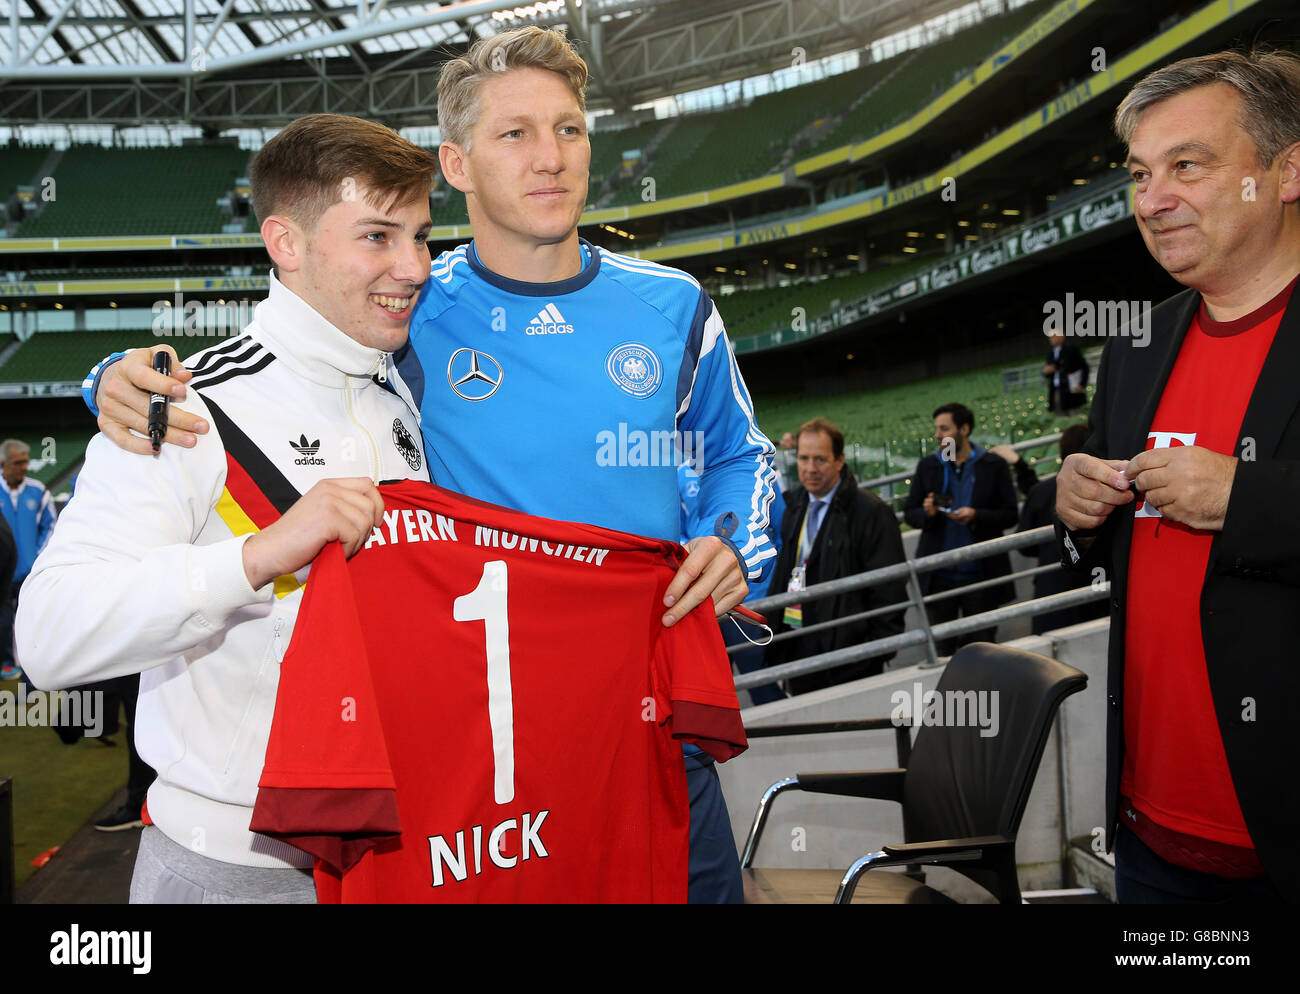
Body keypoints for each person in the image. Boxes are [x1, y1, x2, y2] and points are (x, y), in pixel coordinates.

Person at [83, 27, 778, 904]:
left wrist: (728, 544)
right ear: (456, 163)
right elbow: (264, 365)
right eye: (515, 134)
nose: (550, 158)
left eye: (569, 129)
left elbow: (740, 456)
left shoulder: (673, 308)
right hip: (489, 763)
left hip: (652, 725)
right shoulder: (407, 313)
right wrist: (110, 379)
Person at [18, 114, 438, 902]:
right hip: (234, 868)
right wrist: (259, 556)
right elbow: (47, 636)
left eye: (421, 235)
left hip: (396, 852)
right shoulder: (184, 407)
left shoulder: (398, 399)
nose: (414, 266)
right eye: (379, 237)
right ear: (285, 243)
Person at [1054, 48, 1300, 903]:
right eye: (1140, 175)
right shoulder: (1136, 345)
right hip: (1151, 838)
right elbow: (1092, 559)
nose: (1151, 202)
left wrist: (1243, 496)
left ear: (1285, 170)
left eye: (1186, 166)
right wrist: (1076, 514)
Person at [764, 418, 906, 694]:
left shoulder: (871, 512)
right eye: (803, 458)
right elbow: (787, 572)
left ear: (840, 460)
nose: (809, 469)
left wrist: (876, 650)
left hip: (850, 657)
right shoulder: (795, 506)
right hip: (799, 644)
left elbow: (889, 588)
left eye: (820, 460)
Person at [903, 402, 1018, 656]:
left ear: (964, 430)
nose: (937, 435)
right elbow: (910, 513)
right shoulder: (928, 466)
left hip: (982, 576)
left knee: (984, 650)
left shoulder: (993, 465)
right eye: (936, 429)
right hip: (939, 579)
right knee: (942, 651)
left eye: (944, 428)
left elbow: (1010, 514)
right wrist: (928, 514)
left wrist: (977, 515)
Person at [1014, 423, 1106, 635]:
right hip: (1097, 586)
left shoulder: (1040, 491)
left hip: (1053, 590)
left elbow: (1024, 546)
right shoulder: (1110, 489)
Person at [0, 439, 56, 681]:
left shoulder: (38, 490)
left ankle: (30, 666)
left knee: (30, 619)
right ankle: (6, 663)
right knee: (3, 620)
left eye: (25, 461)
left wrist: (36, 557)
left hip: (28, 571)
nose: (24, 467)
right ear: (3, 464)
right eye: (18, 463)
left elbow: (51, 526)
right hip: (2, 573)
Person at [1042, 332, 1088, 413]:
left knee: (1074, 416)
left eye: (1054, 336)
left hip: (1071, 390)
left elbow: (1084, 367)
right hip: (1057, 390)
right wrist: (1046, 372)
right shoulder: (1050, 354)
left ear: (1062, 337)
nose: (1051, 339)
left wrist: (1082, 384)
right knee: (1059, 418)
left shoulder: (1071, 349)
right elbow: (1048, 374)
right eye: (1050, 337)